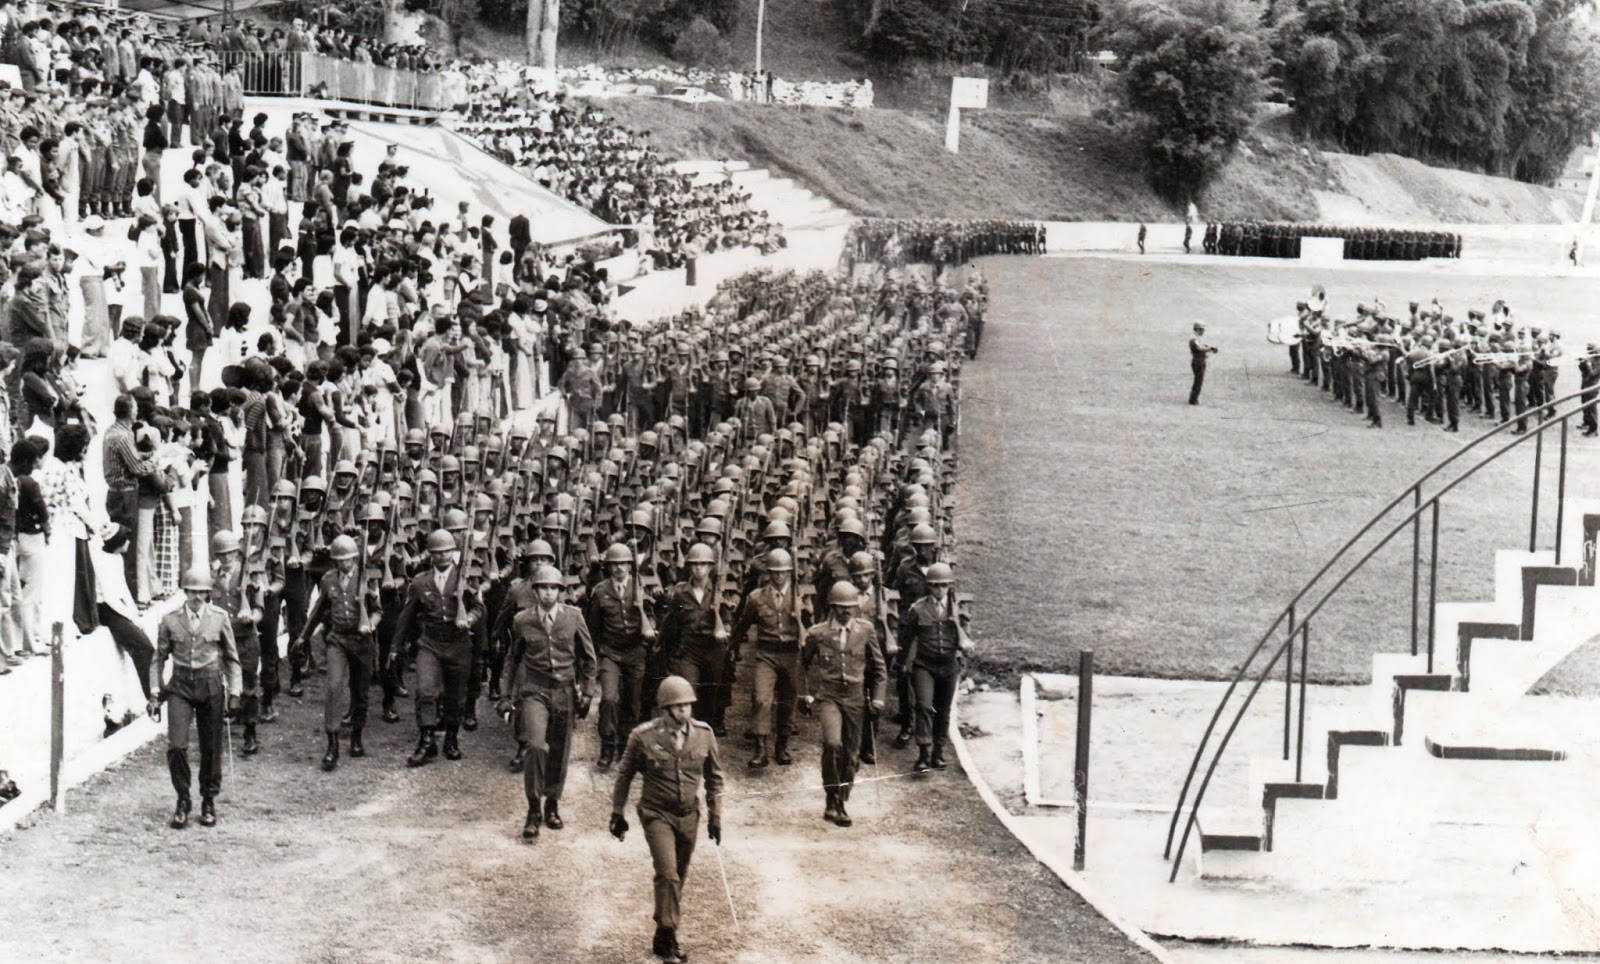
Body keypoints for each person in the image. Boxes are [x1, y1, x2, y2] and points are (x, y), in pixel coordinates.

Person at [610, 675, 724, 964]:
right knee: (668, 873)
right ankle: (670, 936)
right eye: (678, 706)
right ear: (665, 709)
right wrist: (617, 812)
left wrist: (716, 817)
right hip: (656, 814)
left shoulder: (704, 734)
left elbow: (715, 778)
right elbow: (624, 775)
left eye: (687, 705)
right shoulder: (643, 736)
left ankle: (662, 933)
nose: (684, 711)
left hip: (689, 816)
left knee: (678, 876)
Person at [498, 564, 596, 841]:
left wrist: (587, 692)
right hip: (535, 691)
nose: (548, 594)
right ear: (535, 590)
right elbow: (511, 659)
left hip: (564, 692)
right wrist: (505, 696)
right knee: (536, 745)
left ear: (561, 591)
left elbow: (589, 658)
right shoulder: (522, 620)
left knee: (559, 750)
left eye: (554, 588)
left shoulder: (574, 617)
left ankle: (552, 803)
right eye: (543, 588)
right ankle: (533, 809)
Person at [148, 567, 242, 829]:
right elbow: (159, 658)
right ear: (185, 592)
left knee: (210, 746)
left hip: (210, 685)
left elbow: (232, 658)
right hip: (180, 686)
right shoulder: (170, 620)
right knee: (177, 745)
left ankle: (208, 800)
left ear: (208, 593)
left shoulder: (219, 618)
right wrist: (155, 693)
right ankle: (182, 798)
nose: (197, 597)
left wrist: (235, 692)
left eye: (202, 592)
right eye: (193, 592)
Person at [393, 528, 483, 767]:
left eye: (447, 552)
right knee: (425, 690)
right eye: (438, 553)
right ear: (431, 555)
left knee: (456, 695)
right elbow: (406, 617)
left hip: (458, 643)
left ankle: (451, 739)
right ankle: (427, 740)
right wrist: (396, 647)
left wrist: (469, 619)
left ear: (454, 552)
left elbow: (479, 608)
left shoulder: (465, 578)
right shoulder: (420, 582)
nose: (443, 557)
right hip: (430, 643)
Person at [798, 581, 885, 827]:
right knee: (832, 743)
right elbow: (801, 664)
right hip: (829, 696)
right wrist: (804, 694)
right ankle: (834, 800)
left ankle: (841, 796)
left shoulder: (865, 631)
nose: (846, 612)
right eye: (841, 607)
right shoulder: (818, 633)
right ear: (832, 607)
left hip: (856, 699)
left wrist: (878, 697)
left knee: (852, 754)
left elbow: (879, 668)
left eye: (850, 607)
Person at [297, 534, 374, 771]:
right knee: (333, 687)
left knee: (360, 692)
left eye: (349, 559)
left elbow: (378, 610)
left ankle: (357, 737)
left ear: (355, 558)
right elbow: (319, 609)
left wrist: (369, 624)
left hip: (361, 641)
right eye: (340, 560)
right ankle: (332, 745)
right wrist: (303, 636)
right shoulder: (328, 579)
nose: (345, 564)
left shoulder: (366, 578)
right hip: (337, 640)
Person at [732, 546, 803, 769]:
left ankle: (782, 746)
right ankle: (760, 749)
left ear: (790, 573)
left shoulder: (801, 596)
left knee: (788, 700)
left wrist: (802, 617)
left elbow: (814, 628)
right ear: (768, 573)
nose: (779, 576)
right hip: (767, 653)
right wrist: (733, 646)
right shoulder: (756, 597)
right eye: (775, 572)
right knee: (762, 698)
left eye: (783, 572)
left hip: (791, 653)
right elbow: (743, 623)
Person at [897, 561, 971, 773]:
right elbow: (907, 637)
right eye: (935, 586)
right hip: (924, 665)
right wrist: (901, 664)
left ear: (950, 586)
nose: (940, 590)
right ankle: (924, 752)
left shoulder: (957, 610)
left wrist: (964, 647)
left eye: (944, 586)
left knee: (943, 710)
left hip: (948, 665)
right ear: (928, 587)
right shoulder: (918, 609)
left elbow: (965, 638)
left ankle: (938, 751)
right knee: (923, 706)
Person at [586, 542, 654, 769]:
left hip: (635, 652)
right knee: (609, 698)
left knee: (632, 702)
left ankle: (625, 745)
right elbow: (593, 629)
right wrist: (593, 660)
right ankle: (606, 744)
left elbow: (651, 617)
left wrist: (649, 625)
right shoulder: (600, 591)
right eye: (614, 564)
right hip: (610, 652)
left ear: (630, 565)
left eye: (624, 563)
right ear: (608, 567)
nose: (619, 569)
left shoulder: (640, 587)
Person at [1188, 322, 1219, 406]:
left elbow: (1202, 346)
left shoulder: (1197, 338)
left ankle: (1194, 398)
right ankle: (1193, 400)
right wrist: (1210, 348)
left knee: (1198, 381)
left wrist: (1210, 348)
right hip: (1198, 362)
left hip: (1199, 361)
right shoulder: (1194, 339)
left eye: (1203, 329)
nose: (1203, 331)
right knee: (1198, 382)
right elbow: (1199, 348)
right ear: (1197, 329)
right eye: (1201, 329)